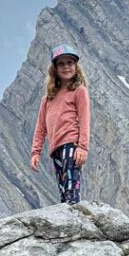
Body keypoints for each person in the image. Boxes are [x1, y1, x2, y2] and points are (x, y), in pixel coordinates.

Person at [30, 44, 90, 205]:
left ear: (76, 67)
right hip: (55, 149)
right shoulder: (47, 99)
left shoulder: (79, 91)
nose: (66, 67)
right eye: (61, 64)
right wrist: (35, 152)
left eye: (70, 63)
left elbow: (84, 119)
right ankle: (68, 222)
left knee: (71, 188)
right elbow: (40, 128)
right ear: (55, 69)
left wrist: (82, 147)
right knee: (63, 190)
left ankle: (74, 221)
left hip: (71, 144)